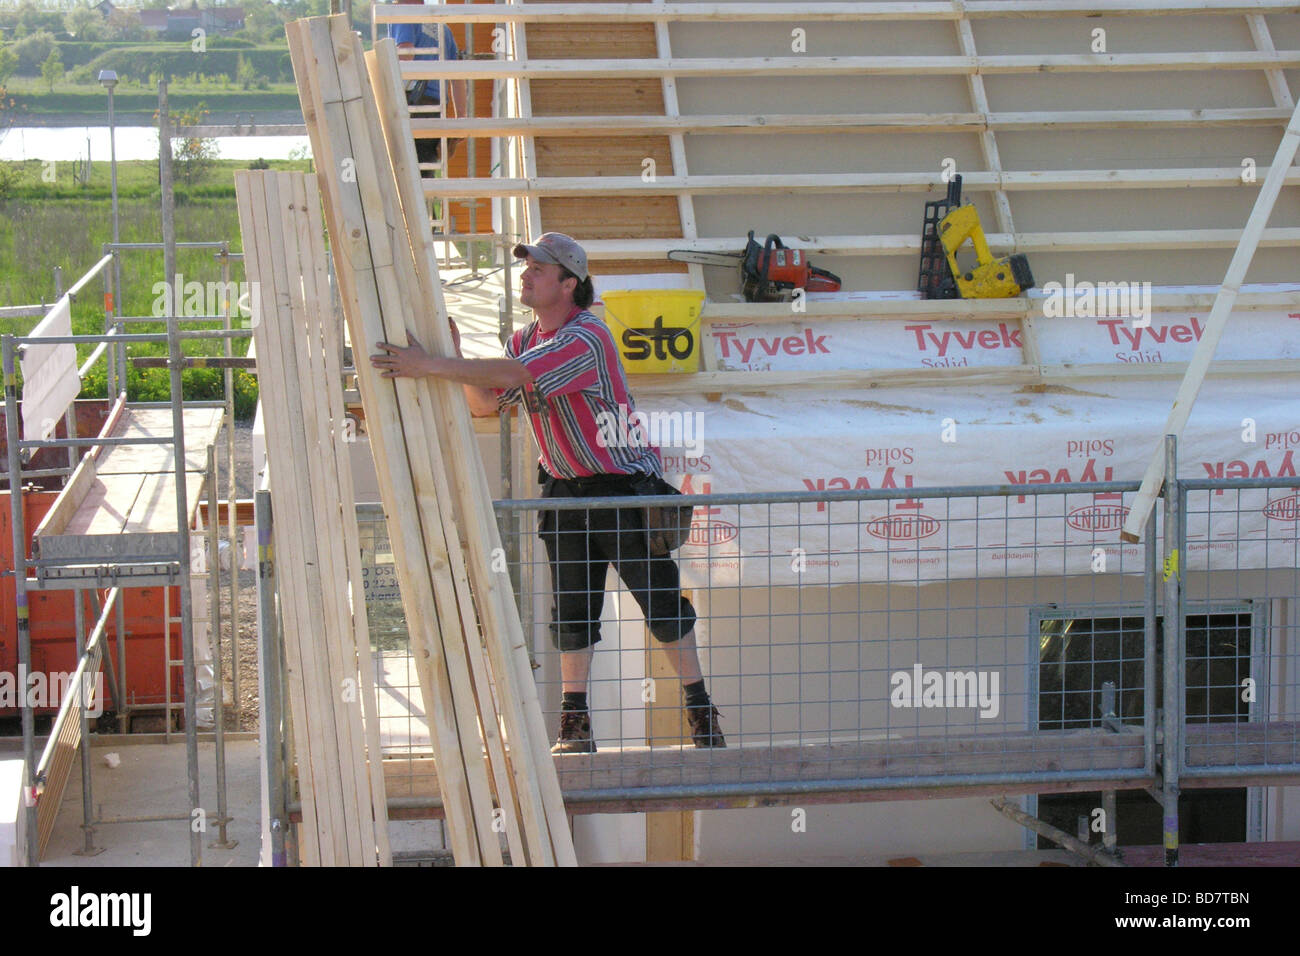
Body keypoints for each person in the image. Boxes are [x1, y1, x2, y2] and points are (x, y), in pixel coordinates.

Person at [370, 232, 725, 754]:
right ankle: (575, 726)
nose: (526, 275)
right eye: (527, 266)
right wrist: (456, 358)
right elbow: (488, 404)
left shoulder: (588, 337)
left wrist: (430, 365)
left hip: (623, 489)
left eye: (538, 268)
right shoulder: (524, 340)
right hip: (564, 488)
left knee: (662, 604)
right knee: (572, 613)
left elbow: (516, 376)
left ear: (569, 283)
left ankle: (700, 712)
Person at [389, 0, 467, 173]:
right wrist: (461, 117)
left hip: (410, 103)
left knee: (401, 172)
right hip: (436, 107)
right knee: (423, 171)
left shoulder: (400, 12)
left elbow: (406, 55)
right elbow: (457, 76)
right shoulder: (441, 27)